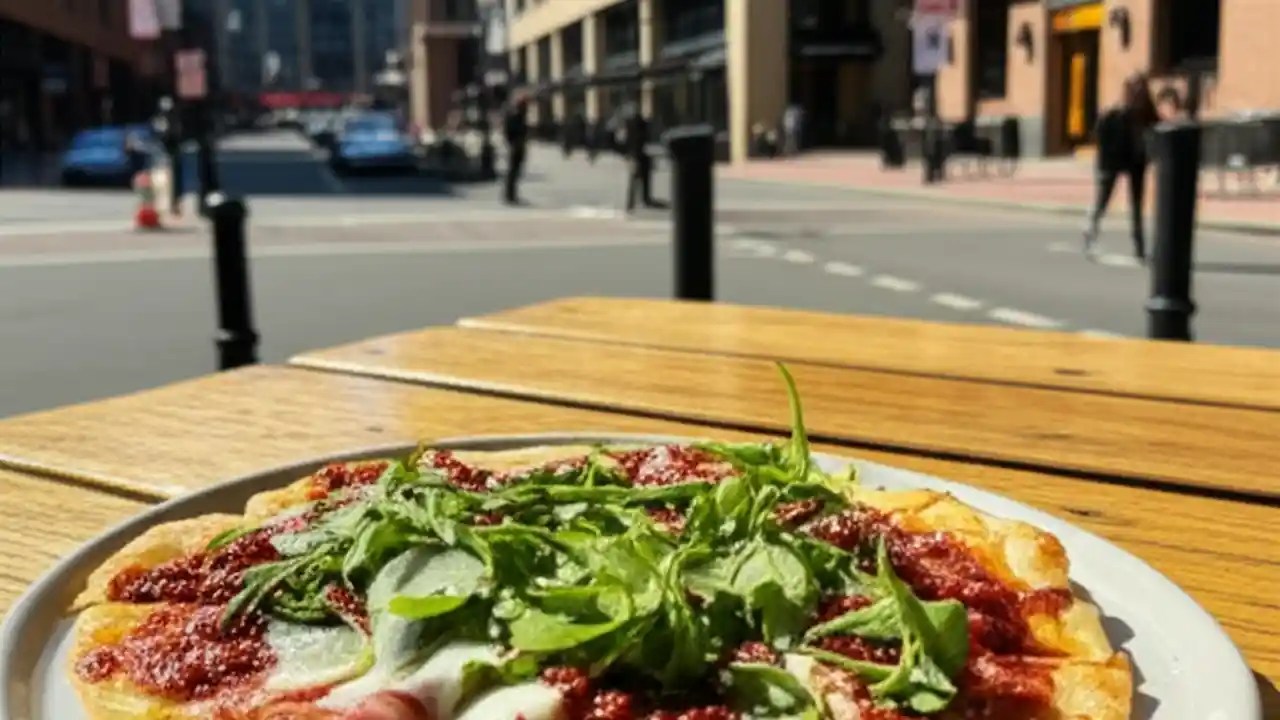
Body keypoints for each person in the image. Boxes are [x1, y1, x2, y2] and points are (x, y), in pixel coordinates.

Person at [1084, 73, 1158, 261]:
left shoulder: (1149, 114)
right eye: (1135, 91)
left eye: (1142, 91)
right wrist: (1104, 163)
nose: (1139, 95)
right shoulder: (1115, 115)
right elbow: (1100, 135)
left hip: (1137, 161)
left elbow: (1159, 131)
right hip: (1113, 161)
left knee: (1137, 205)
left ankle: (1139, 246)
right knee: (1104, 199)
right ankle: (1091, 230)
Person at [624, 107, 656, 212]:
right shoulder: (641, 125)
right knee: (642, 178)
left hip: (634, 154)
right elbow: (645, 139)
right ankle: (644, 199)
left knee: (634, 179)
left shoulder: (629, 125)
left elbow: (627, 141)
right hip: (640, 154)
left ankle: (631, 203)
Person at [502, 94, 530, 205]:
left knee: (515, 172)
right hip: (516, 146)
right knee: (513, 171)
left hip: (518, 146)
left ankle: (511, 194)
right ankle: (510, 195)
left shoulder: (520, 117)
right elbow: (510, 132)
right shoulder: (515, 117)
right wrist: (513, 142)